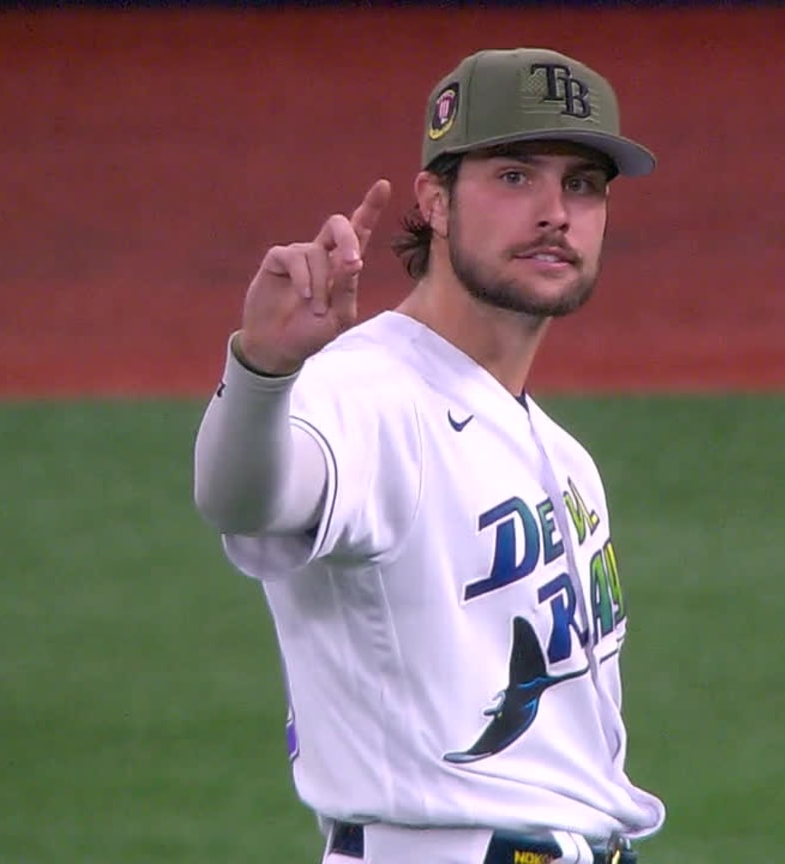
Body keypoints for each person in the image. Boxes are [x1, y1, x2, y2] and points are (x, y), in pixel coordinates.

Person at [192, 47, 664, 864]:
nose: (555, 211)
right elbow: (244, 500)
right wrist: (264, 372)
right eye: (515, 176)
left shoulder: (561, 454)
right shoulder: (370, 394)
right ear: (434, 202)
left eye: (582, 184)